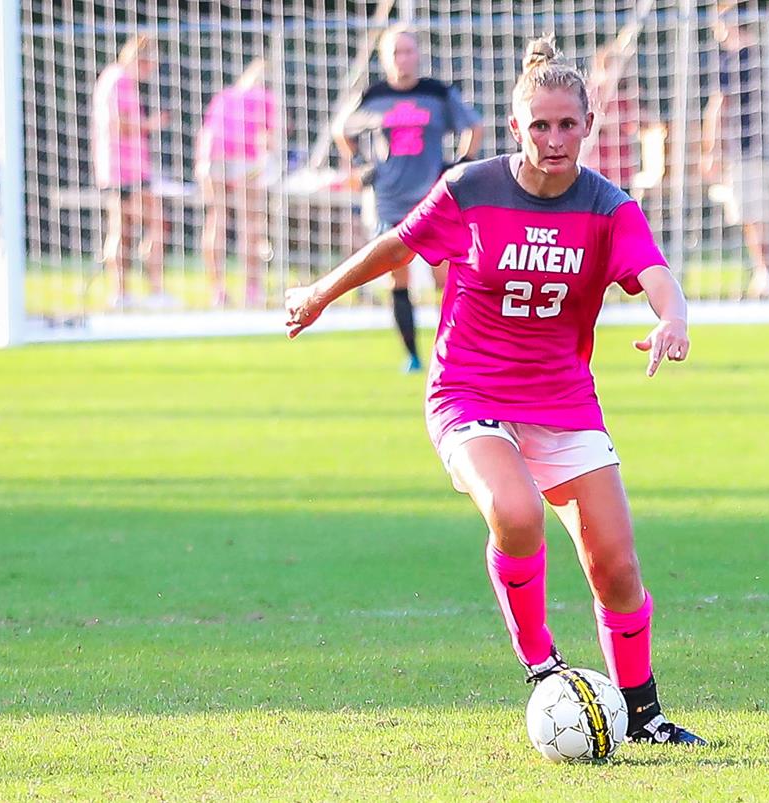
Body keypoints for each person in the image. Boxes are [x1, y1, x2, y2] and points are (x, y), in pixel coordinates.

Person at [285, 37, 706, 747]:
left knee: (617, 566)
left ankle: (645, 715)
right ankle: (543, 664)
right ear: (516, 128)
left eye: (567, 124)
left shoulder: (607, 206)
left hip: (563, 397)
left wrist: (674, 317)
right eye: (539, 125)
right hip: (468, 390)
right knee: (515, 512)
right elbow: (395, 245)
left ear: (588, 125)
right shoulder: (471, 189)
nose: (553, 138)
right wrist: (323, 294)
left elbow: (655, 271)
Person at [334, 24, 484, 371]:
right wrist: (360, 164)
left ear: (417, 55)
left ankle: (454, 350)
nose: (402, 59)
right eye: (395, 53)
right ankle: (413, 355)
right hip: (388, 198)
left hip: (432, 198)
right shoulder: (374, 96)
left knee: (444, 274)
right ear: (385, 59)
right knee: (396, 276)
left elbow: (474, 127)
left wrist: (460, 165)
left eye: (408, 51)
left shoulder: (437, 93)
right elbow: (342, 130)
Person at [703, 1, 769, 299]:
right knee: (756, 213)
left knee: (752, 213)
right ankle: (764, 274)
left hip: (745, 147)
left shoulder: (734, 58)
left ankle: (765, 274)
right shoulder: (767, 55)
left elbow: (720, 106)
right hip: (763, 145)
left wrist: (711, 149)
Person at [92, 35, 173, 309]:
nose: (150, 71)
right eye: (150, 64)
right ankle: (154, 291)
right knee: (156, 223)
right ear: (141, 57)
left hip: (113, 168)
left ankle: (121, 293)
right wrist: (152, 124)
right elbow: (120, 125)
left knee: (121, 229)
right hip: (128, 169)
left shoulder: (109, 78)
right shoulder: (121, 80)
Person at [198, 57, 282, 308]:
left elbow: (206, 133)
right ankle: (252, 290)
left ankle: (218, 291)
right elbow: (270, 139)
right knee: (250, 223)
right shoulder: (266, 98)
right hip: (244, 159)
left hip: (212, 159)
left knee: (217, 220)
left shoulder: (225, 95)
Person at [581, 39, 645, 191]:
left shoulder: (625, 95)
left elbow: (636, 122)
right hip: (597, 167)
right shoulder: (591, 92)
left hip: (622, 170)